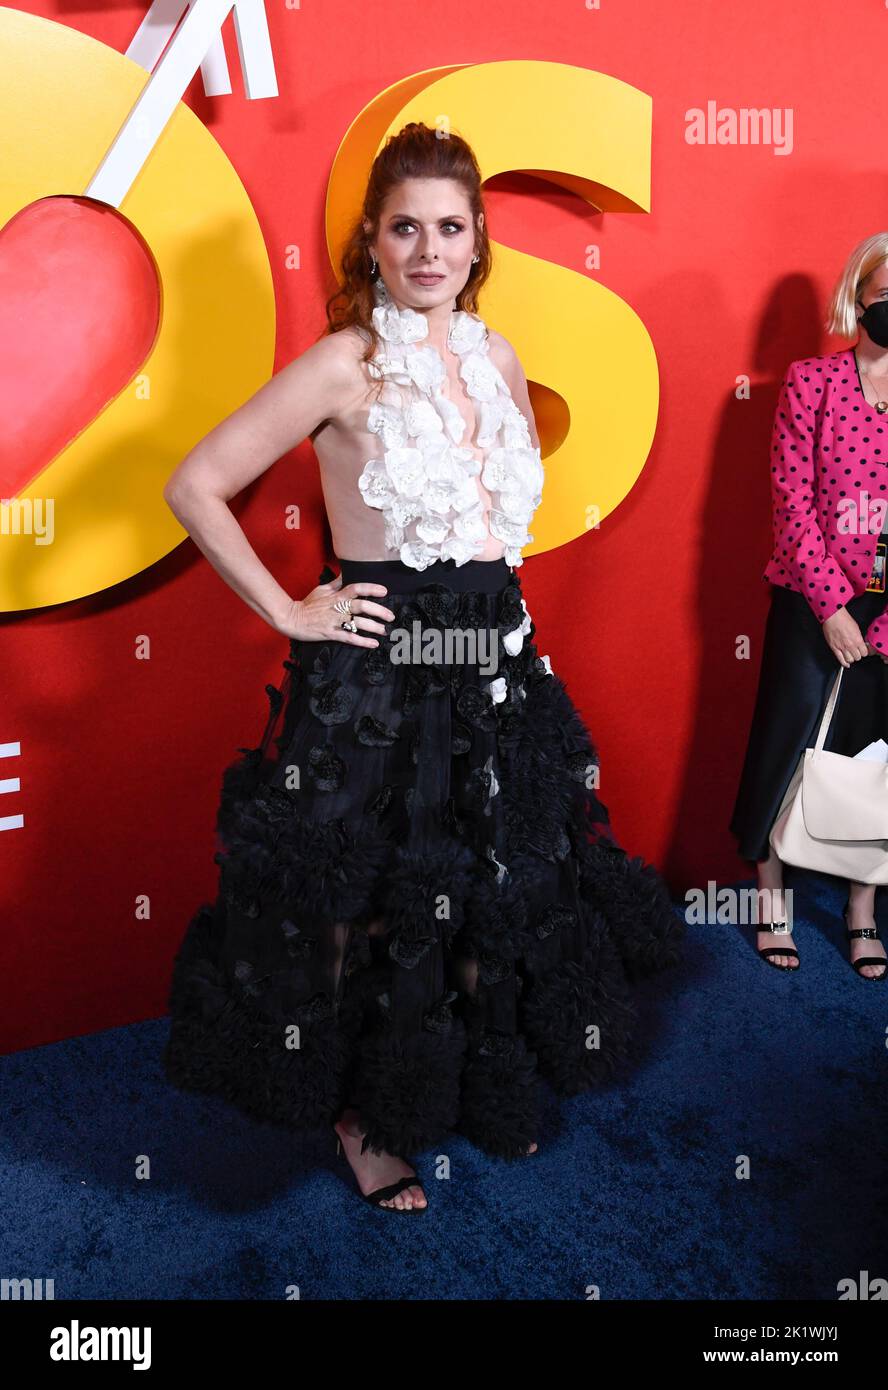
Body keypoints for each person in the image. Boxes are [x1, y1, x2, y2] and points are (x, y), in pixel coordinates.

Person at [161, 122, 684, 1212]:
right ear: (373, 240)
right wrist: (290, 608)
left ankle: (454, 1080)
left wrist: (513, 646)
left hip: (493, 660)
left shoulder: (497, 357)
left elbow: (496, 528)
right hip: (378, 672)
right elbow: (197, 482)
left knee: (497, 875)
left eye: (450, 226)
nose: (430, 248)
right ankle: (361, 1115)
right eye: (407, 228)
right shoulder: (345, 362)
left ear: (479, 237)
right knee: (367, 896)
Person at [730, 231, 888, 981]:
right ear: (857, 300)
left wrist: (878, 612)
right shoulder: (811, 383)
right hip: (809, 602)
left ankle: (862, 914)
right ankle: (771, 904)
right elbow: (792, 505)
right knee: (784, 745)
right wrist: (832, 607)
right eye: (885, 298)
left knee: (875, 763)